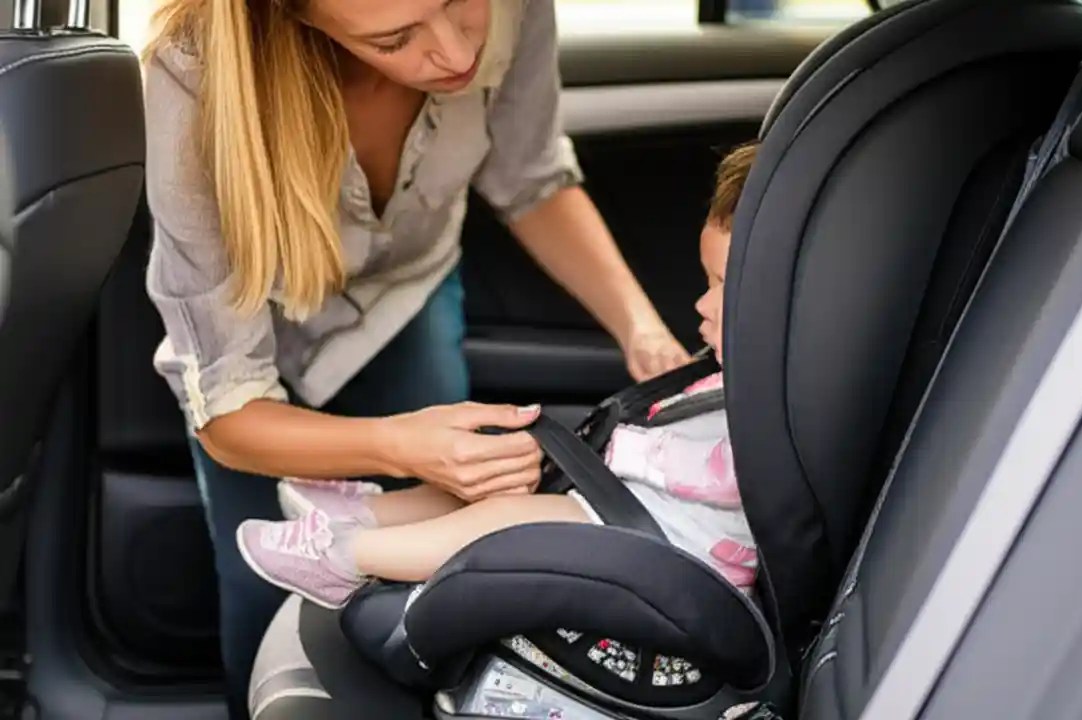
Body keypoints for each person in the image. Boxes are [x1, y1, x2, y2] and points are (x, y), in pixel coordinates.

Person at [141, 1, 690, 716]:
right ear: (299, 21)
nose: (456, 52)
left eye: (460, 2)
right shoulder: (196, 73)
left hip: (412, 299)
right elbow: (229, 411)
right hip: (255, 359)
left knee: (442, 577)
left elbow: (530, 177)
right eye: (395, 39)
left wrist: (642, 330)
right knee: (270, 598)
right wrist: (400, 446)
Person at [236, 142, 761, 609]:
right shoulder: (736, 376)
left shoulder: (778, 403)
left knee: (516, 512)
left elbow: (707, 473)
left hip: (682, 555)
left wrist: (604, 453)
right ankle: (369, 511)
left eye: (722, 284)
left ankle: (347, 555)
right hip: (646, 513)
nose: (700, 302)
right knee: (508, 466)